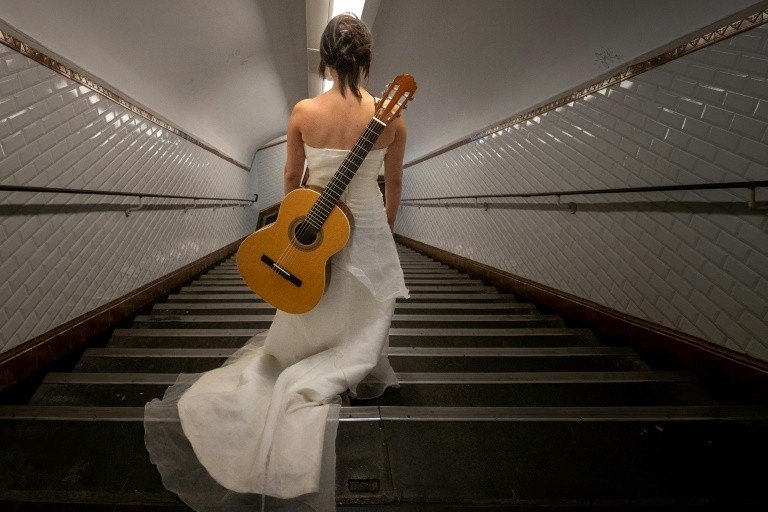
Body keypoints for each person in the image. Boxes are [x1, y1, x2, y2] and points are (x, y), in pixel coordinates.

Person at [143, 13, 410, 512]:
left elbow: (291, 178)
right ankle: (354, 367)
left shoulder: (304, 111)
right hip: (369, 226)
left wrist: (297, 234)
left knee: (311, 297)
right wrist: (385, 229)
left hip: (313, 227)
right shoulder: (391, 116)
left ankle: (306, 358)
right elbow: (393, 183)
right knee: (365, 306)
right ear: (367, 58)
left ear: (325, 58)